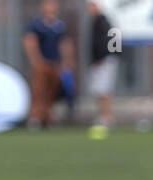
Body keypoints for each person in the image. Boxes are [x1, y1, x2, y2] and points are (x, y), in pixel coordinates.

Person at [22, 0, 74, 130]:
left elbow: (65, 44)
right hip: (42, 63)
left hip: (55, 63)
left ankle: (47, 117)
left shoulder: (59, 26)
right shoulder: (36, 24)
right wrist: (36, 59)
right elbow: (30, 41)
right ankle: (35, 118)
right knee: (39, 91)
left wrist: (66, 61)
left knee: (52, 92)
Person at [86, 1, 118, 130]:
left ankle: (106, 117)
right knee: (100, 90)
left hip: (104, 61)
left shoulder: (103, 22)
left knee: (103, 89)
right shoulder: (97, 21)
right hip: (101, 60)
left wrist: (101, 57)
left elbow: (107, 42)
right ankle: (104, 115)